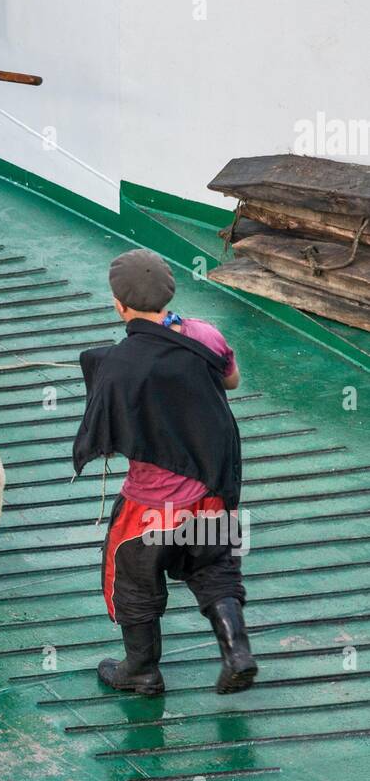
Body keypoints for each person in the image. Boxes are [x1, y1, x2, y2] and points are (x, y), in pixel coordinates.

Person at [72, 249, 257, 697]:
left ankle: (140, 670)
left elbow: (109, 425)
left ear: (119, 305)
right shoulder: (204, 336)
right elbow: (229, 381)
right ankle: (237, 653)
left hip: (150, 507)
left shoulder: (118, 364)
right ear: (170, 293)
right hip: (211, 491)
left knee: (132, 582)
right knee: (214, 566)